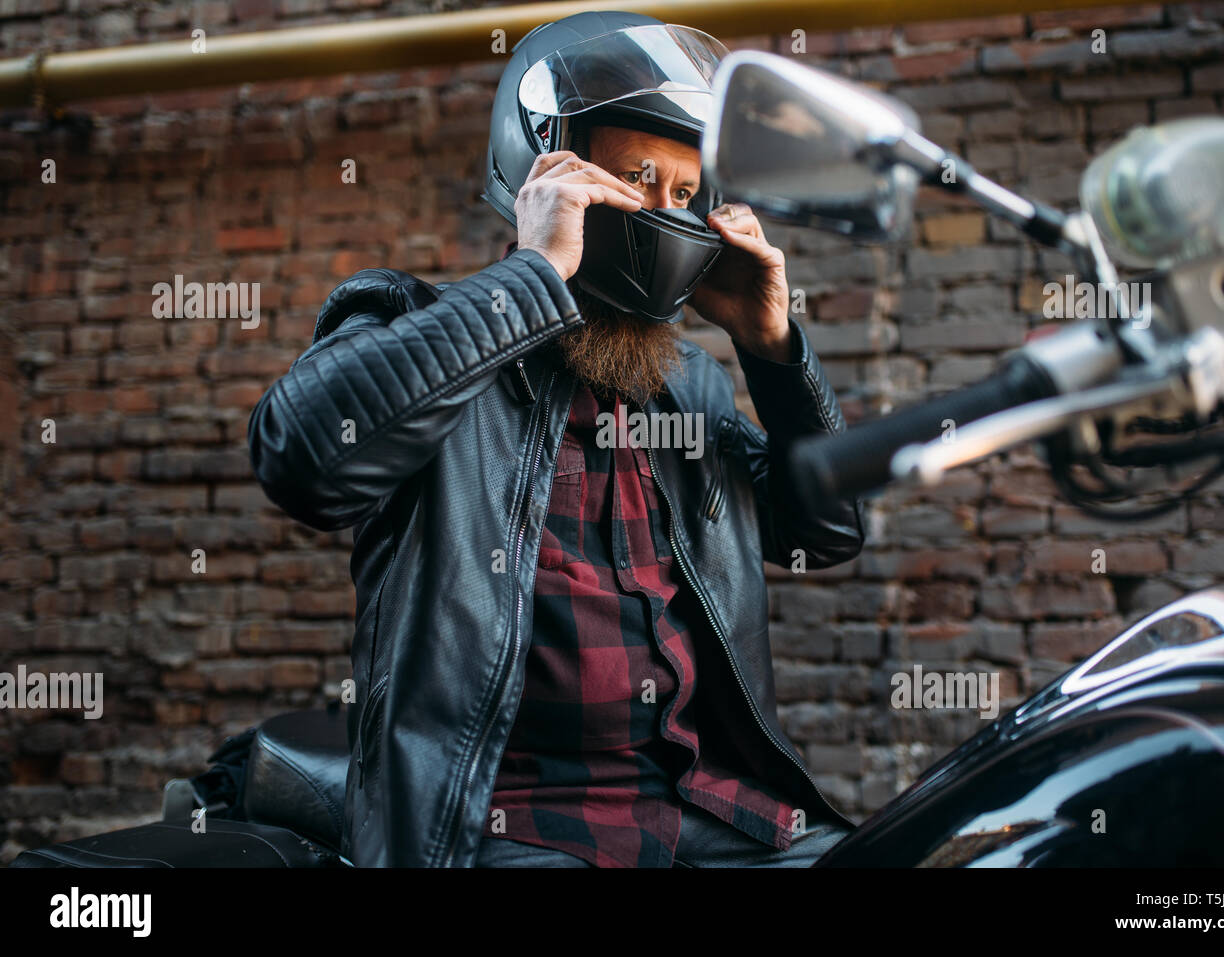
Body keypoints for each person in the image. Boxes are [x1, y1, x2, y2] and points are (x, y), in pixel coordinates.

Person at [247, 10, 866, 868]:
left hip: (710, 804)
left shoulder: (685, 384)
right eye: (636, 180)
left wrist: (778, 355)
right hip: (503, 817)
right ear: (545, 175)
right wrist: (535, 273)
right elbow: (302, 458)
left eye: (685, 195)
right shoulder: (411, 324)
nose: (664, 214)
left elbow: (825, 533)